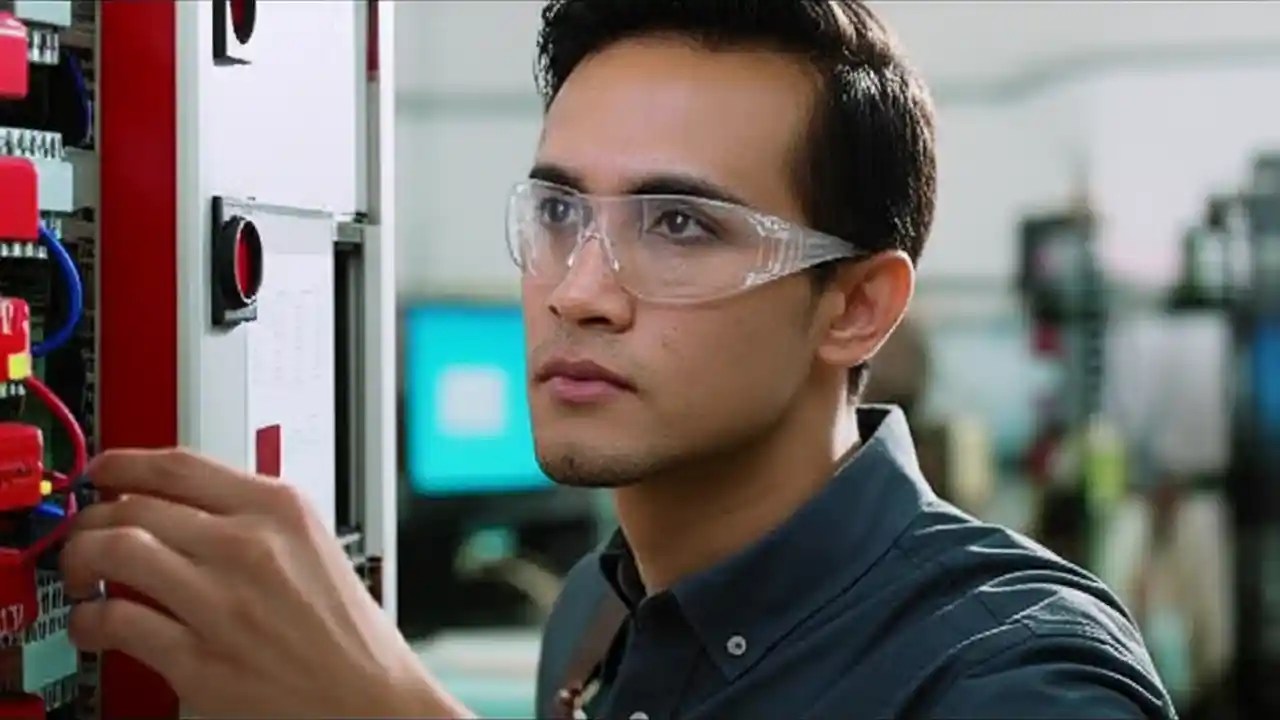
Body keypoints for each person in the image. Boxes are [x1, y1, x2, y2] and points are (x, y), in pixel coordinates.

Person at [59, 1, 1176, 718]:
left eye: (678, 226)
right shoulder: (597, 618)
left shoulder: (1015, 678)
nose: (577, 291)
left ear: (856, 307)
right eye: (556, 211)